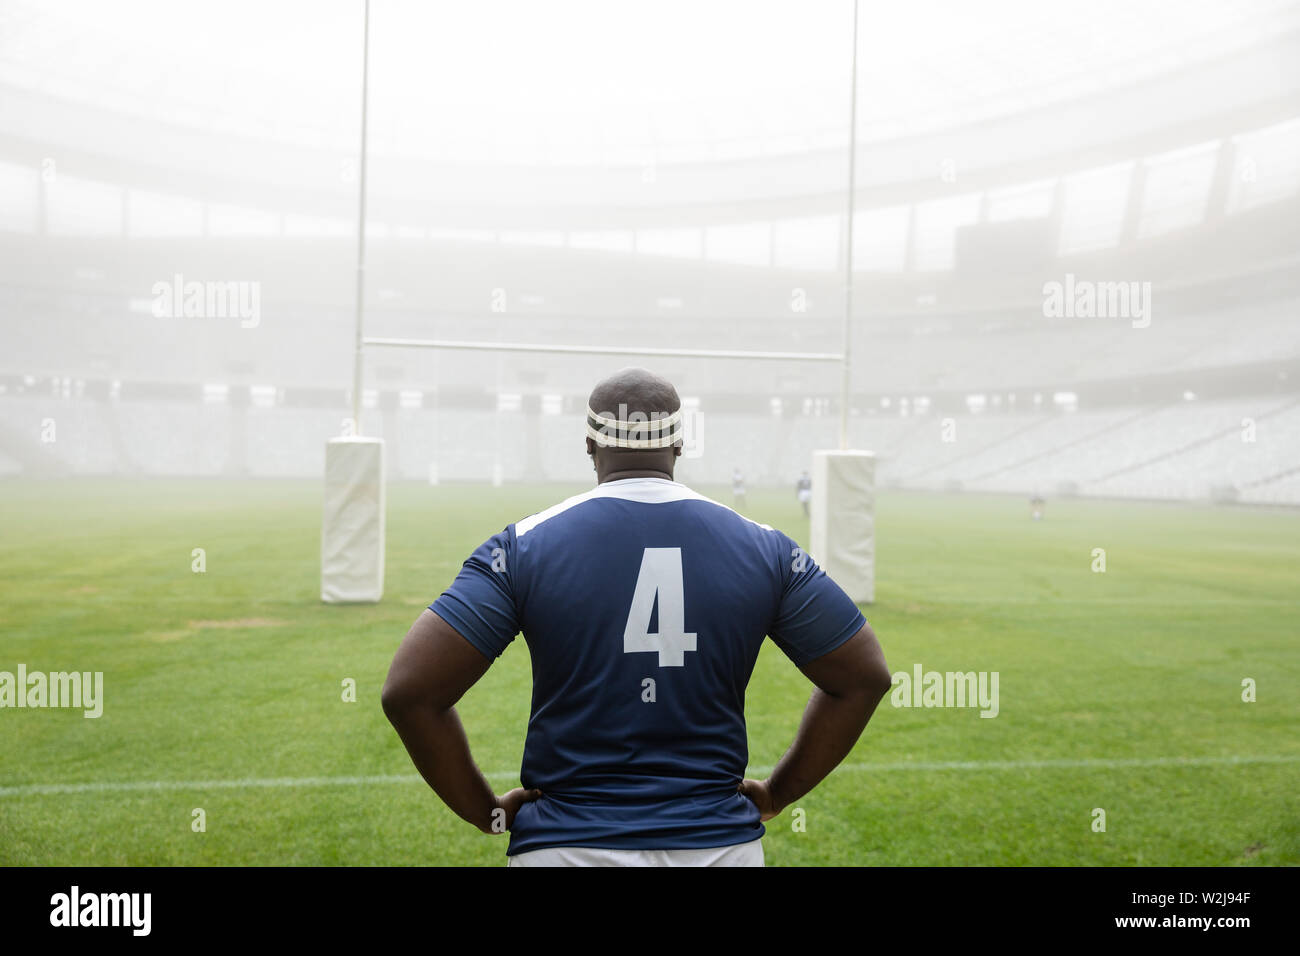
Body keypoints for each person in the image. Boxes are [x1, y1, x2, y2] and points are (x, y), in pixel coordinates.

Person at [382, 367, 891, 866]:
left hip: (567, 845)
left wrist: (485, 811)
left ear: (589, 445)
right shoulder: (764, 548)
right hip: (717, 846)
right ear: (679, 445)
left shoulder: (523, 547)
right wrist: (778, 792)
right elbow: (862, 677)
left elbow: (411, 691)